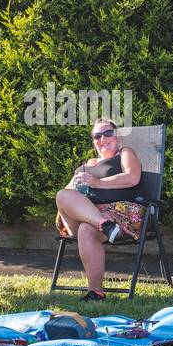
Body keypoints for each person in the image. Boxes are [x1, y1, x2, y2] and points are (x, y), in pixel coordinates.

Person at [54, 119, 144, 302]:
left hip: (117, 213)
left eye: (108, 133)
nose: (103, 138)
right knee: (63, 195)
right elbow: (67, 194)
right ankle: (105, 225)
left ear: (117, 136)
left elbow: (133, 178)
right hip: (83, 216)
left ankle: (96, 292)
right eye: (97, 136)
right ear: (93, 141)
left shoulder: (124, 153)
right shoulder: (88, 163)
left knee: (87, 229)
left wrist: (97, 183)